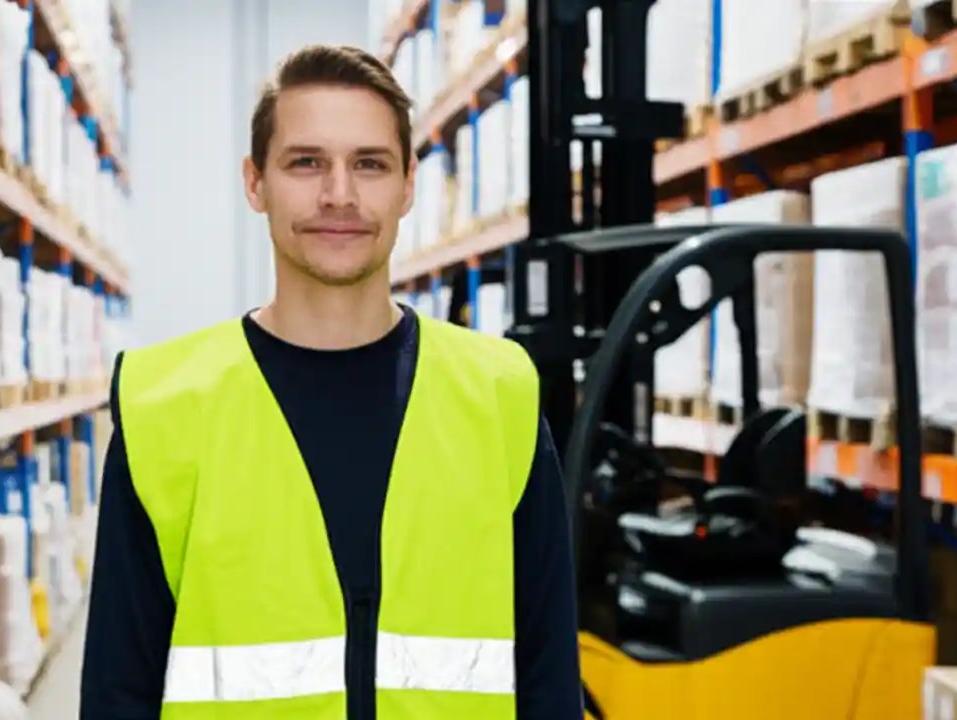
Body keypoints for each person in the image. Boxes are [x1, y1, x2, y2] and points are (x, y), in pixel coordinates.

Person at [79, 44, 583, 719]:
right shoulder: (165, 404)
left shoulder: (498, 395)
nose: (338, 194)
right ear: (255, 183)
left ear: (408, 185)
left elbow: (547, 674)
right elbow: (119, 688)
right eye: (306, 162)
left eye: (369, 164)